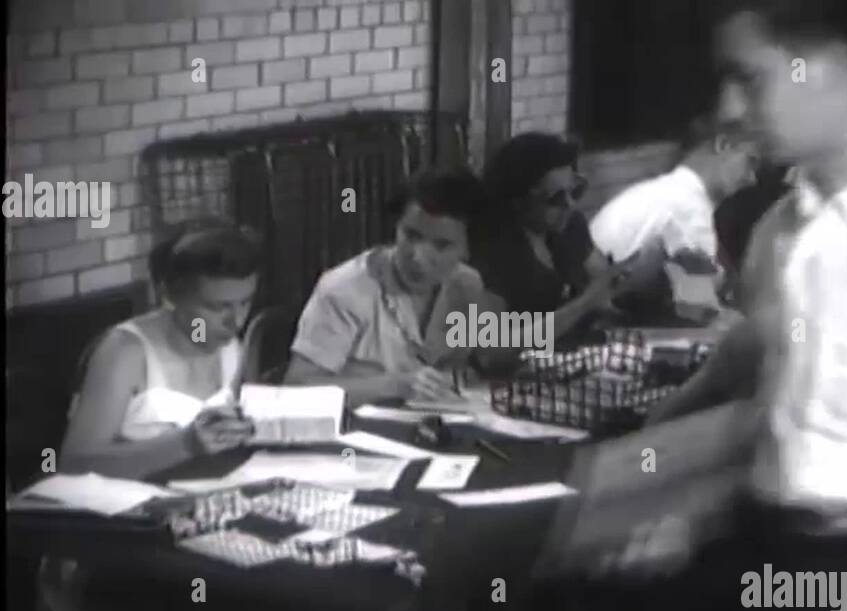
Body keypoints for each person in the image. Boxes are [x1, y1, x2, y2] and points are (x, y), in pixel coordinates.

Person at [550, 0, 847, 611]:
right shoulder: (787, 232)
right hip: (781, 549)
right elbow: (790, 419)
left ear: (832, 68)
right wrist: (694, 519)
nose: (729, 109)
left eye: (751, 79)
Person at [60, 221, 260, 479]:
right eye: (216, 307)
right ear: (170, 296)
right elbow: (74, 464)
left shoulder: (231, 348)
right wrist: (184, 445)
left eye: (244, 303)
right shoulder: (124, 351)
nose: (236, 321)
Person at [283, 169, 500, 403]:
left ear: (467, 249)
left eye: (442, 245)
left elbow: (474, 364)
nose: (417, 257)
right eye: (411, 235)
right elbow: (296, 390)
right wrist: (394, 385)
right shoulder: (345, 289)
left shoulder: (467, 285)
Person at [589, 122, 760, 323]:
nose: (752, 179)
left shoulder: (665, 193)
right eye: (750, 162)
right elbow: (697, 308)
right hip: (591, 324)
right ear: (723, 145)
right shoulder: (687, 206)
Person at [471, 132, 634, 342]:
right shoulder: (493, 253)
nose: (570, 204)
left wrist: (626, 286)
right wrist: (584, 304)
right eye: (556, 198)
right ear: (518, 201)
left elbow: (601, 285)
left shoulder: (570, 227)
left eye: (575, 191)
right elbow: (490, 349)